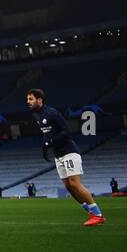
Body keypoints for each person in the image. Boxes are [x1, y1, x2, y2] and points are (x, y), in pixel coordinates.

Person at [27, 89, 105, 226]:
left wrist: (51, 142)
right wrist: (45, 146)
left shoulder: (52, 113)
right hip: (58, 155)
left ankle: (98, 214)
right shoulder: (36, 115)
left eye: (31, 99)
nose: (28, 102)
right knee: (68, 186)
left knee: (75, 183)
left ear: (40, 100)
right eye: (27, 99)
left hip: (69, 151)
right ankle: (89, 210)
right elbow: (47, 133)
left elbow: (66, 132)